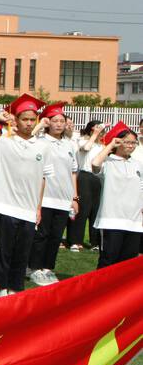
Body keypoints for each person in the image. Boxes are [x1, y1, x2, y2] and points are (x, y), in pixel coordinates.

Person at [0, 94, 53, 298]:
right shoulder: (3, 143)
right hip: (6, 206)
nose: (29, 123)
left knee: (22, 252)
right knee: (4, 249)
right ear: (16, 120)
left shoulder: (43, 147)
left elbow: (43, 179)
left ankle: (15, 287)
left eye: (32, 119)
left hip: (29, 209)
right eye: (25, 119)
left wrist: (39, 207)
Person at [29, 104, 78, 286]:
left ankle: (48, 268)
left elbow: (73, 172)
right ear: (48, 123)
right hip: (45, 196)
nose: (58, 124)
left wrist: (75, 198)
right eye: (55, 121)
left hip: (63, 198)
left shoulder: (69, 145)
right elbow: (25, 142)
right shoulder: (40, 141)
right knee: (41, 234)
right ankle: (34, 267)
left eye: (62, 121)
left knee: (56, 236)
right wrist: (39, 125)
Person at [89, 123, 142, 267]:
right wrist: (110, 145)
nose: (131, 146)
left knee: (127, 265)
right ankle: (101, 289)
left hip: (134, 222)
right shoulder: (108, 163)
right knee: (108, 260)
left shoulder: (138, 164)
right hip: (111, 221)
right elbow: (94, 164)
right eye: (127, 142)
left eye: (133, 142)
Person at [67, 120, 105, 252]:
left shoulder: (102, 146)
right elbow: (87, 148)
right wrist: (95, 134)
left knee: (95, 210)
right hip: (85, 176)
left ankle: (95, 242)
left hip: (98, 178)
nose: (99, 131)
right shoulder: (83, 141)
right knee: (83, 210)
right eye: (96, 128)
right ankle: (75, 241)